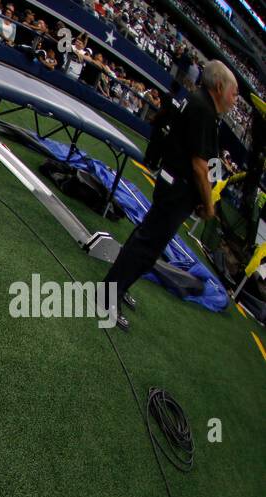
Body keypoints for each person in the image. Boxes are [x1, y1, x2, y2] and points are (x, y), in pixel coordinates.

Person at [101, 61, 238, 332]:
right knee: (146, 245)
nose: (234, 101)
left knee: (147, 243)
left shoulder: (202, 106)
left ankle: (118, 287)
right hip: (177, 189)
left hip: (176, 188)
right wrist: (208, 205)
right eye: (234, 94)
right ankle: (107, 296)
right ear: (220, 86)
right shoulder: (203, 109)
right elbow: (200, 166)